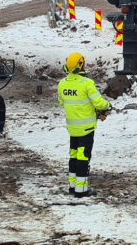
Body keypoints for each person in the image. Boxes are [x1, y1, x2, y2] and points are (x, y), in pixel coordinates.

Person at [57, 52, 110, 197]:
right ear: (80, 65)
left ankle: (72, 186)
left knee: (73, 156)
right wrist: (107, 106)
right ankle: (81, 190)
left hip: (72, 128)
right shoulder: (87, 83)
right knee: (83, 158)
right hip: (86, 129)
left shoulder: (62, 84)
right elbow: (99, 102)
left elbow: (62, 101)